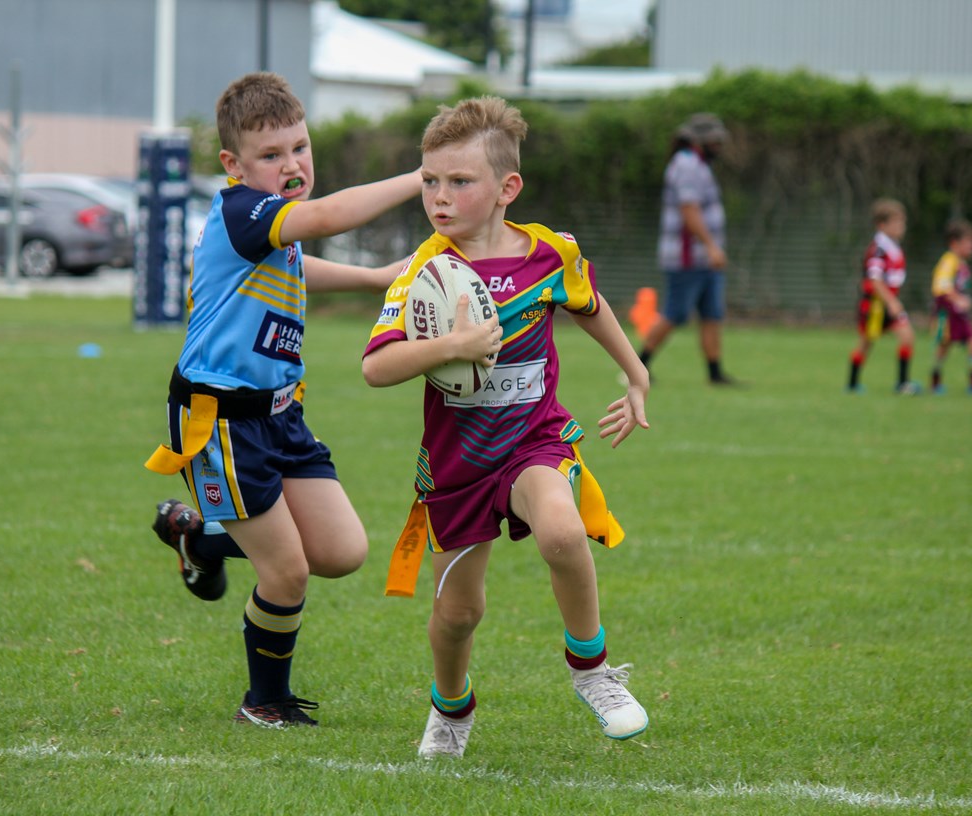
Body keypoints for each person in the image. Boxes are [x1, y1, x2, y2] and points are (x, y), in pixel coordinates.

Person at [362, 96, 652, 759]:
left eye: (459, 182)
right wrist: (448, 347)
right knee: (459, 614)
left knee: (560, 530)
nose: (440, 196)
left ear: (506, 188)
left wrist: (636, 376)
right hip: (458, 464)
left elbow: (590, 305)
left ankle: (592, 670)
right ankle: (451, 707)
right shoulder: (424, 271)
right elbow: (376, 367)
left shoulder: (551, 254)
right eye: (430, 181)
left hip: (534, 441)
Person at [143, 71, 421, 728]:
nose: (292, 164)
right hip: (220, 424)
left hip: (280, 415)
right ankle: (263, 701)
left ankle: (202, 540)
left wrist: (375, 278)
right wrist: (424, 178)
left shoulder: (273, 231)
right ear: (234, 166)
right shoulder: (245, 210)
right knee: (288, 571)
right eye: (271, 156)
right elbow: (322, 219)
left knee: (341, 552)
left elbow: (297, 264)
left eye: (300, 147)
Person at [636, 113, 739, 385]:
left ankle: (715, 374)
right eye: (715, 141)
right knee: (675, 313)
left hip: (704, 258)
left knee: (712, 314)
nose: (719, 146)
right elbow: (689, 210)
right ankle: (637, 367)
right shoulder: (687, 166)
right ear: (700, 141)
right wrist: (711, 246)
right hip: (688, 257)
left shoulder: (698, 164)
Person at [846, 198, 922, 395]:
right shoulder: (878, 249)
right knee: (866, 343)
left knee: (907, 337)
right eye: (896, 223)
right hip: (875, 306)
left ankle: (903, 383)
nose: (901, 227)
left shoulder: (892, 246)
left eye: (902, 222)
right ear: (882, 225)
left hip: (889, 305)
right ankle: (853, 384)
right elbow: (875, 280)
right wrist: (892, 301)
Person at [929, 219, 972, 394]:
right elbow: (941, 286)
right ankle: (935, 382)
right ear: (955, 243)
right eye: (968, 242)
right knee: (944, 346)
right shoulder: (949, 261)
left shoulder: (961, 263)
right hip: (946, 314)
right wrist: (958, 300)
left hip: (959, 315)